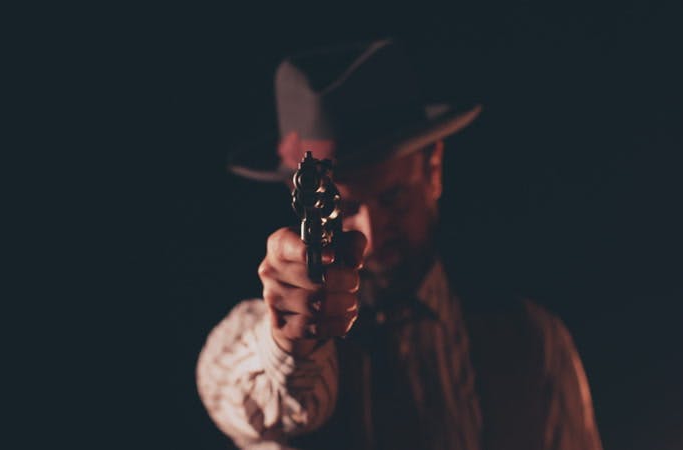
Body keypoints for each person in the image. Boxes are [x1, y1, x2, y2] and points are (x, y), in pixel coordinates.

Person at [196, 38, 603, 450]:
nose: (371, 231)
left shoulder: (535, 341)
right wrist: (291, 346)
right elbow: (254, 393)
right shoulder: (253, 339)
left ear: (433, 169)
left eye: (393, 197)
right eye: (345, 208)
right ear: (302, 202)